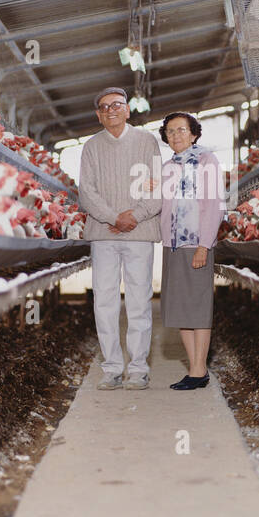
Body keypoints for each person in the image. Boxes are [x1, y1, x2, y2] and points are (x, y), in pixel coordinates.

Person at [78, 87, 162, 390]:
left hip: (139, 233)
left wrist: (134, 217)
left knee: (139, 300)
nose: (111, 110)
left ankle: (138, 368)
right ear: (99, 116)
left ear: (127, 110)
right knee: (105, 300)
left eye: (117, 105)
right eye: (104, 107)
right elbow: (86, 192)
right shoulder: (91, 147)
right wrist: (114, 218)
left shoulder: (147, 141)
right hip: (103, 234)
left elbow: (157, 188)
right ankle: (112, 367)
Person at [159, 111, 225, 391]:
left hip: (196, 244)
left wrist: (204, 245)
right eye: (170, 131)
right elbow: (162, 207)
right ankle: (195, 367)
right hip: (172, 246)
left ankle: (198, 371)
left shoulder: (207, 161)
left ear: (194, 133)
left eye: (181, 130)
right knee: (180, 308)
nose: (175, 135)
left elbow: (214, 206)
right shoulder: (167, 166)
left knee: (197, 307)